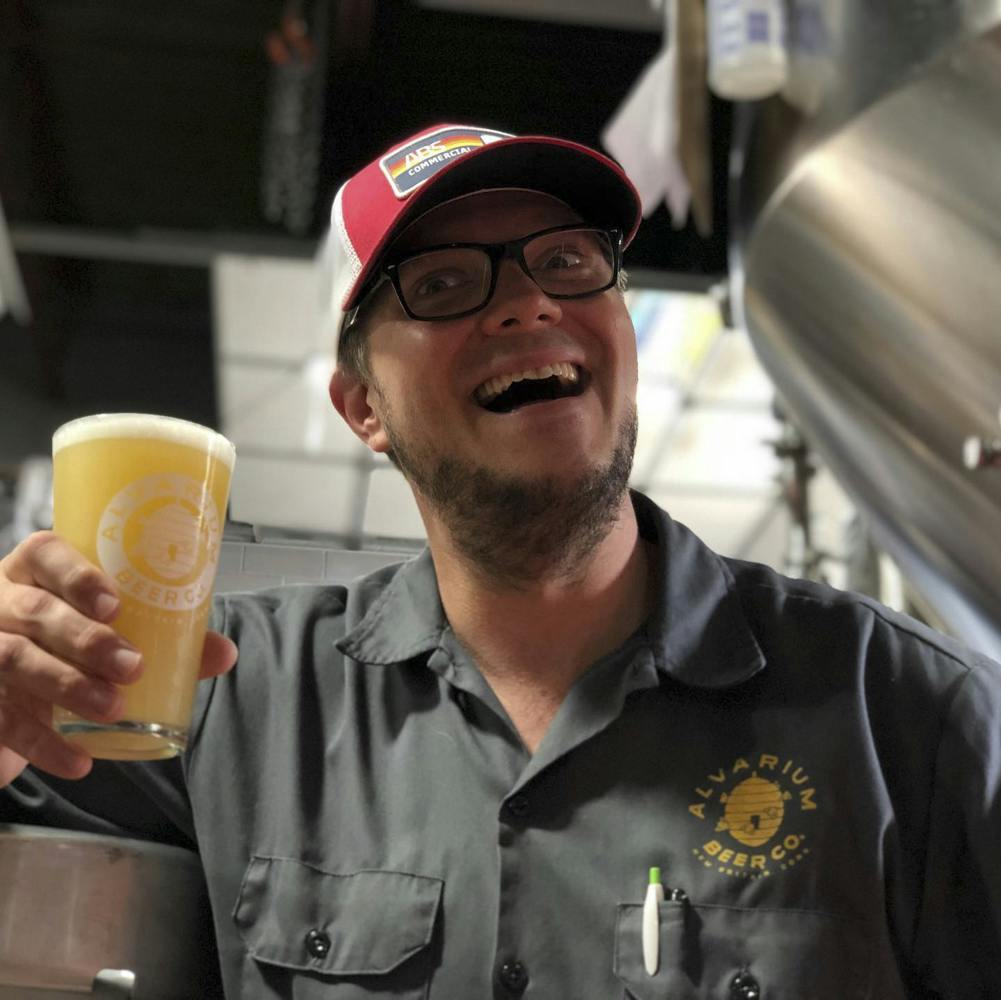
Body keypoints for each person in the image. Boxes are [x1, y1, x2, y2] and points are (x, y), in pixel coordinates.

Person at [1, 122, 999, 999]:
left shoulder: (910, 712)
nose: (527, 304)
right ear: (363, 408)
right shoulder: (223, 695)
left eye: (567, 260)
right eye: (440, 283)